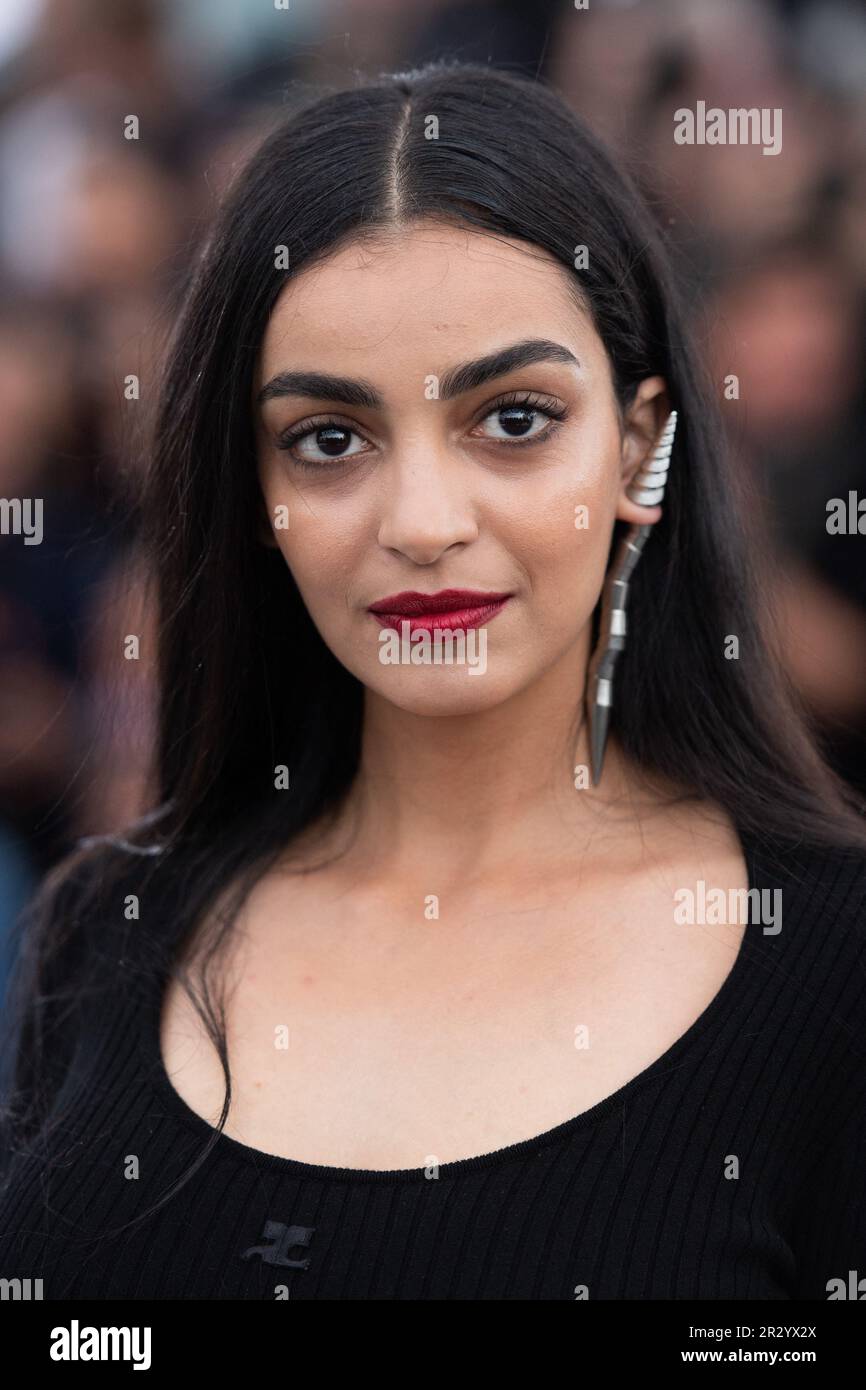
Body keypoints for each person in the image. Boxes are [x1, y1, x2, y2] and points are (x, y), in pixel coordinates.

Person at [1, 60, 864, 1301]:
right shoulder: (104, 924)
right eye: (329, 439)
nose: (420, 520)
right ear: (257, 495)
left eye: (510, 419)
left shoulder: (833, 965)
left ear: (636, 445)